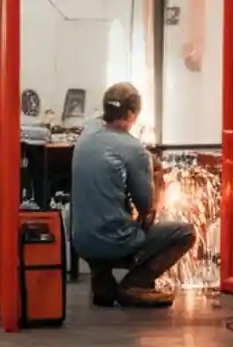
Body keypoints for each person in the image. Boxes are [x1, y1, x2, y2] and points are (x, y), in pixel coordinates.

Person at [71, 83, 195, 307]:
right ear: (131, 113)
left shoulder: (88, 131)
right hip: (112, 240)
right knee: (185, 233)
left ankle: (103, 281)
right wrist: (155, 182)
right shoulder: (132, 147)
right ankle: (135, 284)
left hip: (81, 240)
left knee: (102, 210)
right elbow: (146, 207)